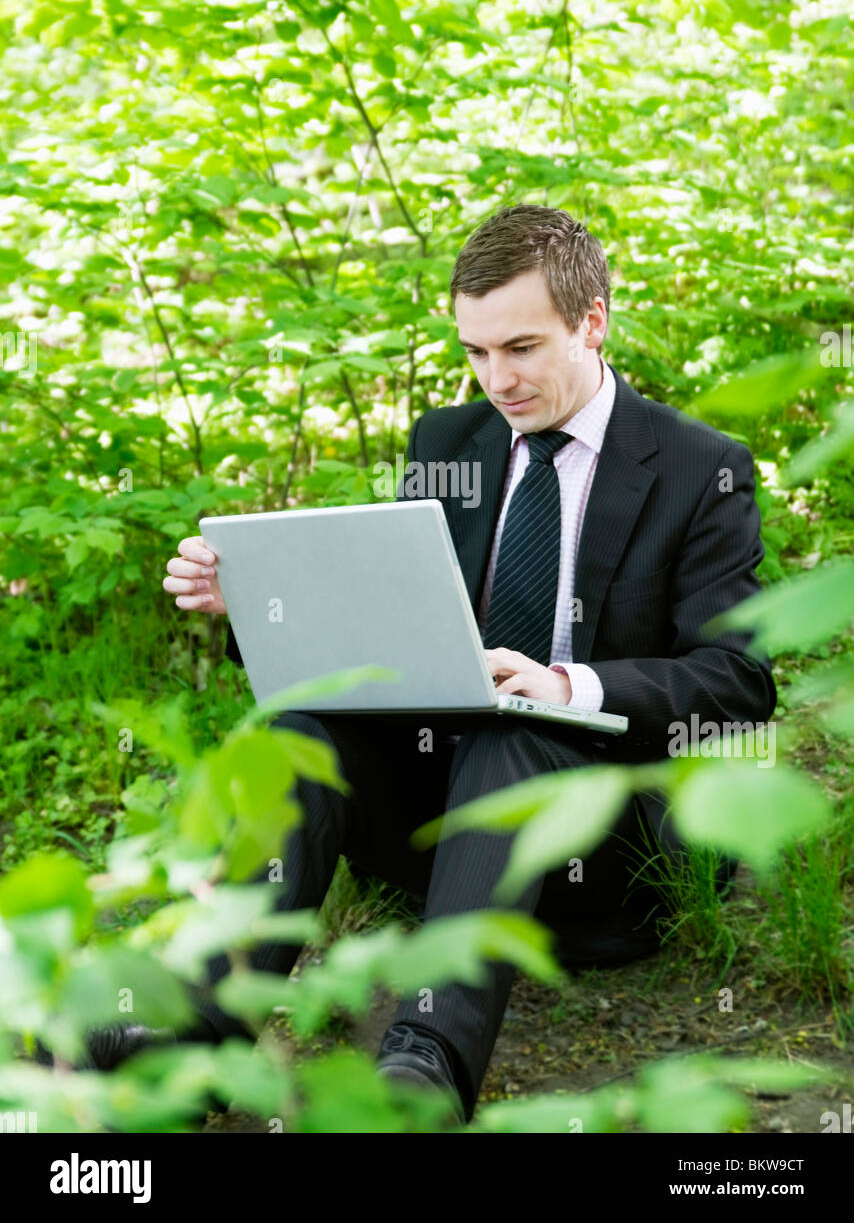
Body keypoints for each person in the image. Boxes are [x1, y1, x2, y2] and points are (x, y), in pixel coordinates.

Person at [155, 205, 773, 1124]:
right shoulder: (448, 446)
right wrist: (248, 606)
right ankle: (190, 1041)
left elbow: (739, 683)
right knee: (299, 730)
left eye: (520, 347)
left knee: (518, 736)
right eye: (476, 352)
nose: (498, 379)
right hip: (445, 822)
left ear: (592, 320)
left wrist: (568, 687)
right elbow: (391, 643)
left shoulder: (701, 467)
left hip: (606, 838)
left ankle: (425, 1064)